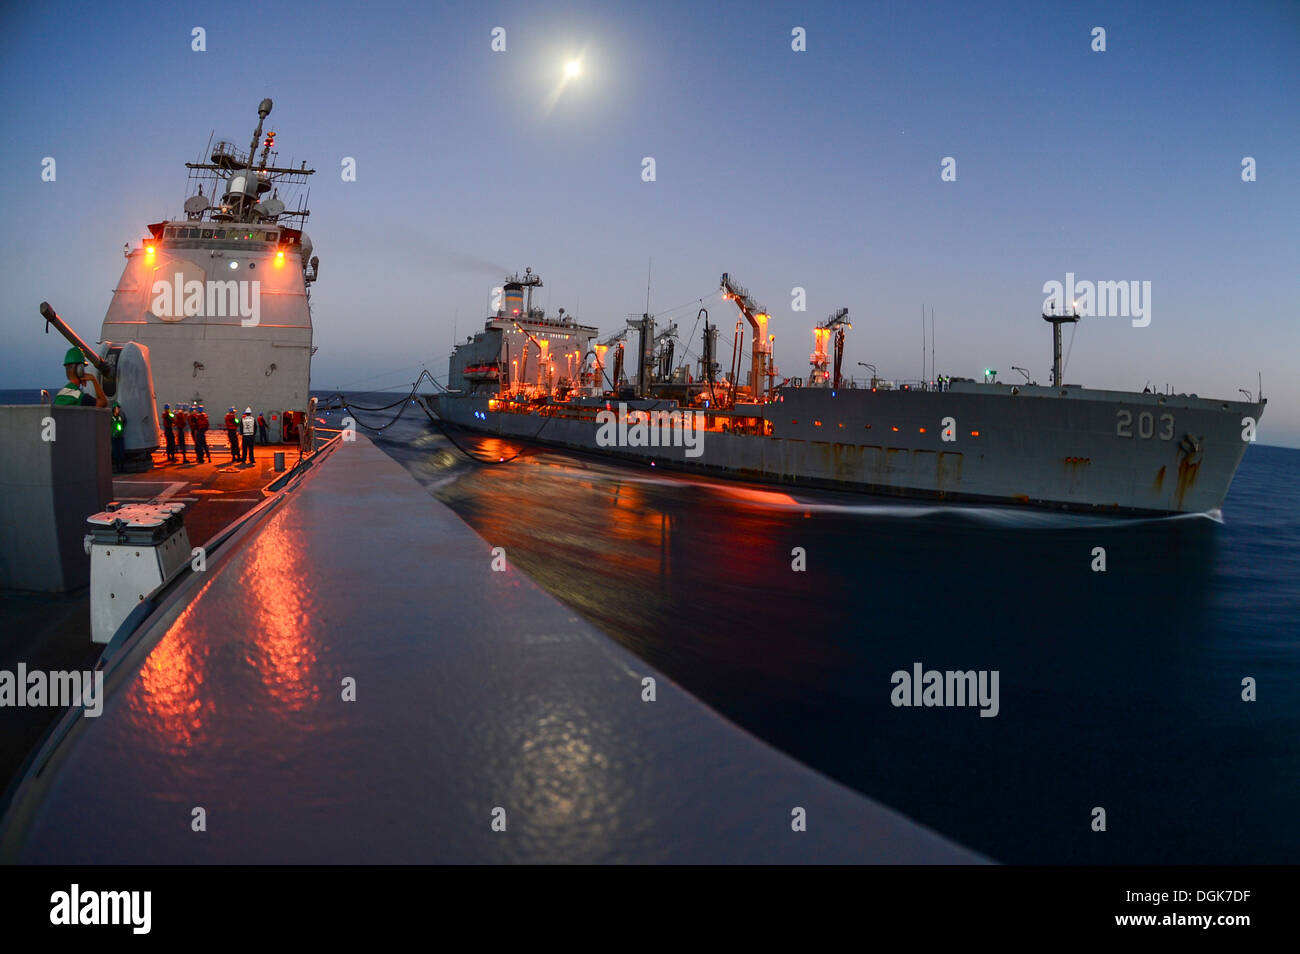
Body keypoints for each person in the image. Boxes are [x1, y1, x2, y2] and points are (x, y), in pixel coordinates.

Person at [110, 401, 126, 472]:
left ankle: (122, 467)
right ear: (114, 409)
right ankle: (117, 467)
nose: (118, 409)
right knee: (116, 453)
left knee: (121, 452)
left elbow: (125, 421)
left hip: (120, 436)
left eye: (118, 408)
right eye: (117, 408)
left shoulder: (120, 416)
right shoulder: (111, 417)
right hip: (114, 437)